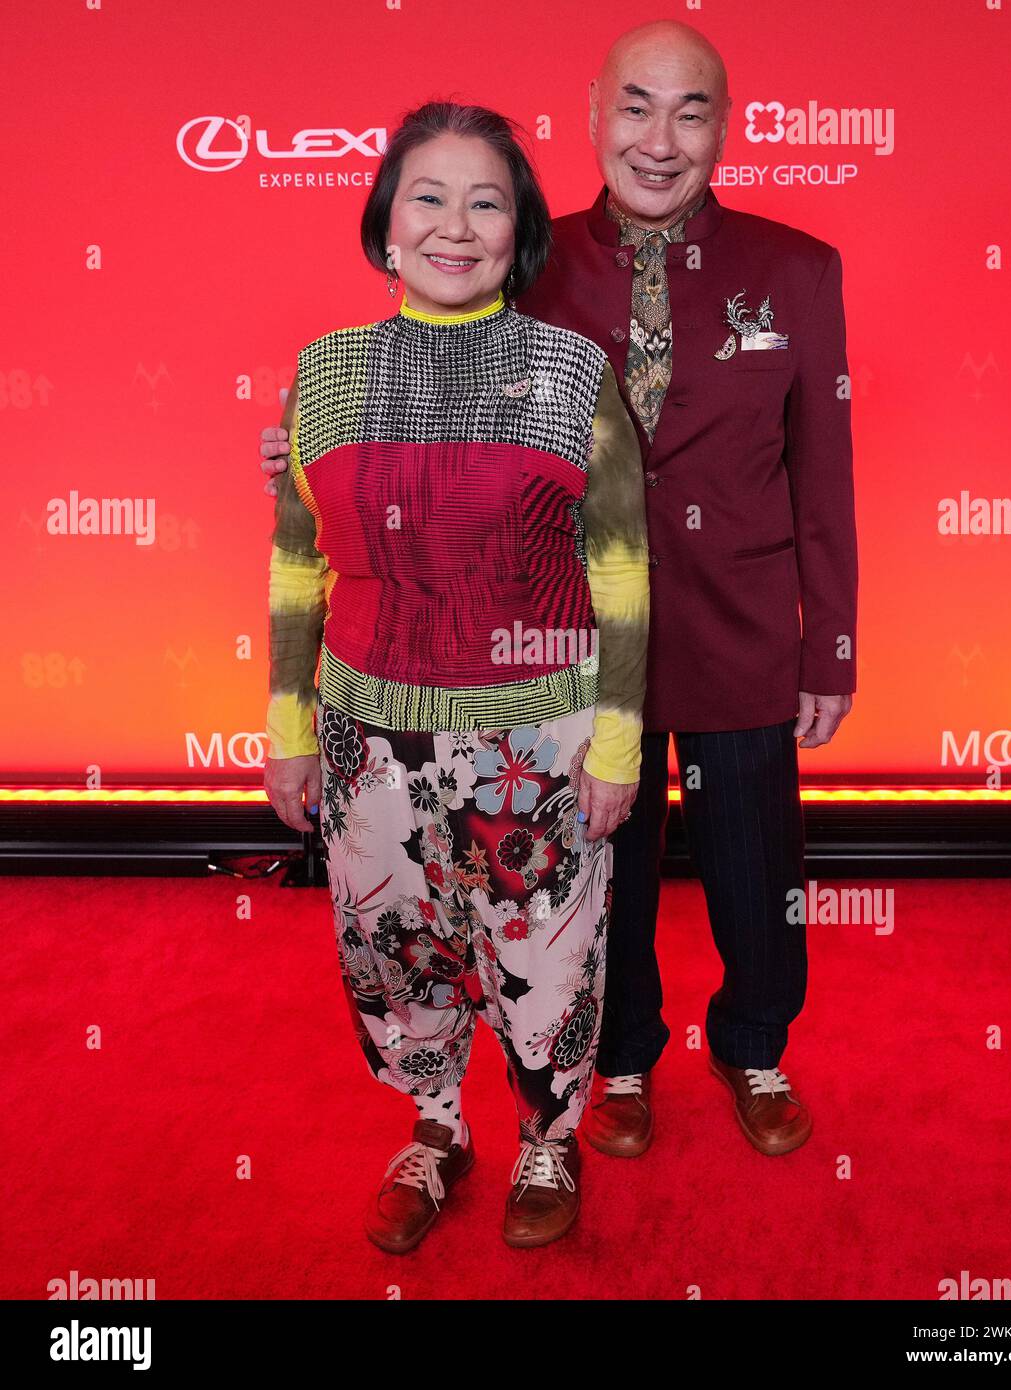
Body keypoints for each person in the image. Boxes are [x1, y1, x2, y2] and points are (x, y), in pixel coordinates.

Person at [262, 20, 858, 1167]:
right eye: (636, 107)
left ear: (723, 129)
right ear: (593, 115)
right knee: (603, 878)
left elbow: (823, 472)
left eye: (690, 113)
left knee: (754, 861)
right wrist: (303, 445)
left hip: (740, 629)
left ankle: (754, 1044)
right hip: (571, 646)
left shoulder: (798, 269)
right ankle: (621, 1056)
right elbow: (441, 384)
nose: (659, 138)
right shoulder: (527, 258)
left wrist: (826, 646)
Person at [262, 100, 649, 1252]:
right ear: (386, 226)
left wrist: (617, 743)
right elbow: (295, 567)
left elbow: (621, 569)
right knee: (397, 954)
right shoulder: (321, 374)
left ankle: (547, 1129)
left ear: (518, 233)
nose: (455, 224)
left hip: (535, 742)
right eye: (427, 197)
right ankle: (436, 1127)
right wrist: (287, 727)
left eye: (487, 202)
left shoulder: (572, 369)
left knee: (544, 959)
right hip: (363, 737)